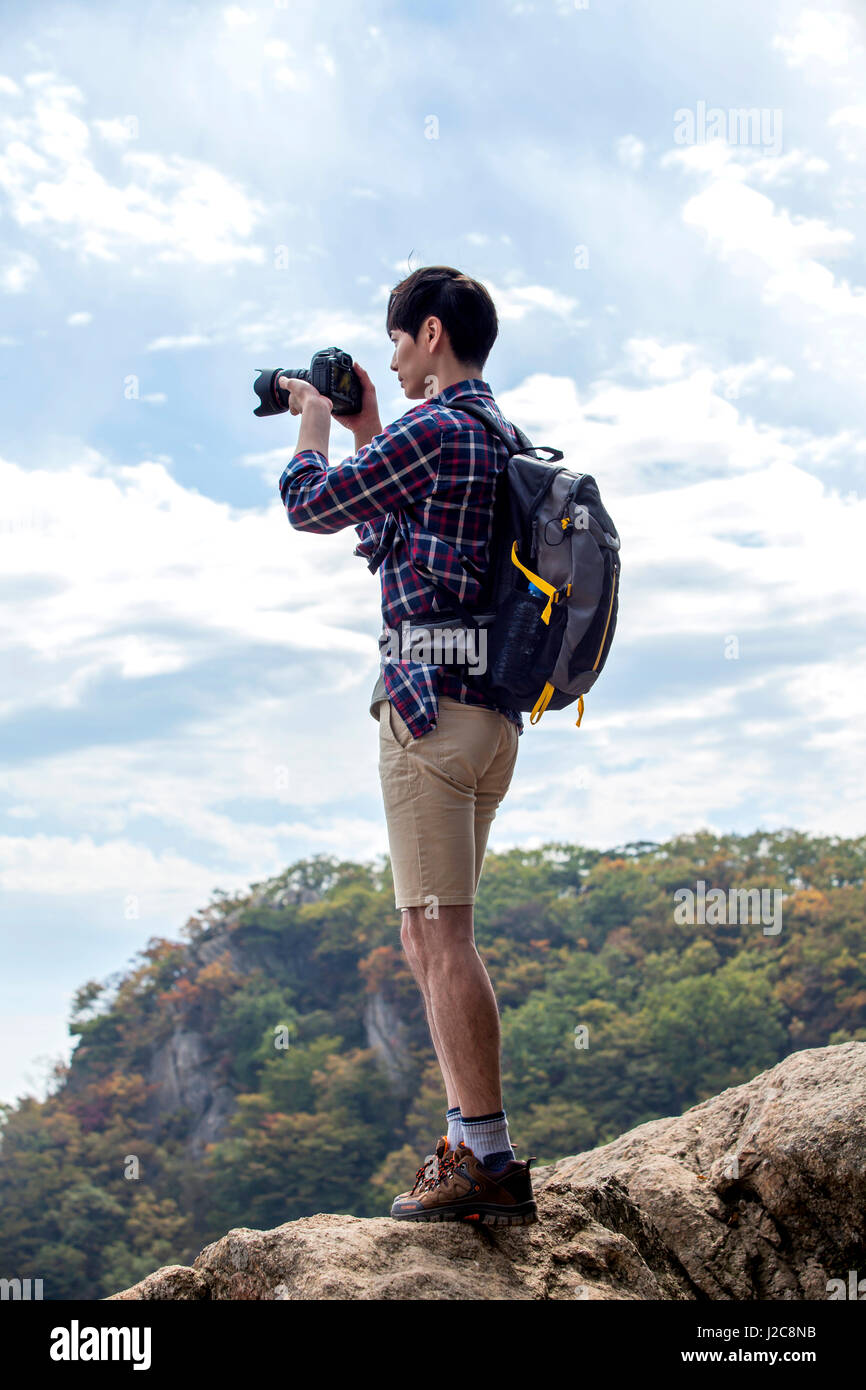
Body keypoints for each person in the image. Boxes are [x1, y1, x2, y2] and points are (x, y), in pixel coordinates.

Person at [278, 265, 537, 1225]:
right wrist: (363, 427)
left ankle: (490, 1159)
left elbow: (315, 506)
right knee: (429, 930)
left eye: (395, 340)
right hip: (492, 718)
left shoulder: (439, 428)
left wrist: (311, 419)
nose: (389, 357)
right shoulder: (495, 433)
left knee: (437, 934)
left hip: (427, 714)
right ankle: (476, 1142)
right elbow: (404, 524)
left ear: (429, 332)